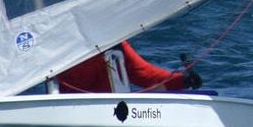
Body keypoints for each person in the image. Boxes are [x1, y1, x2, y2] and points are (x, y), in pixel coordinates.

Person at [54, 42, 203, 94]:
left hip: (111, 113)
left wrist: (182, 81)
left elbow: (142, 73)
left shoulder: (116, 43)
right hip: (75, 110)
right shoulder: (70, 45)